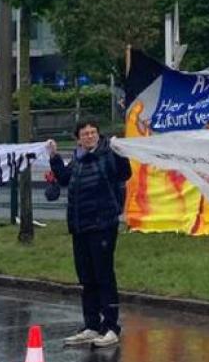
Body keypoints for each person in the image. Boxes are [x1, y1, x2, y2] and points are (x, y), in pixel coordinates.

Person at [55, 118, 132, 348]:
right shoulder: (77, 159)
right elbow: (64, 178)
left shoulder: (109, 154)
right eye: (85, 134)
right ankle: (91, 324)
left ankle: (110, 326)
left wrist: (120, 152)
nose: (89, 136)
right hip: (80, 226)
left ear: (98, 135)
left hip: (103, 225)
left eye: (92, 133)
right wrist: (54, 157)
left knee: (104, 275)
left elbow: (124, 173)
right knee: (86, 277)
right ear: (78, 138)